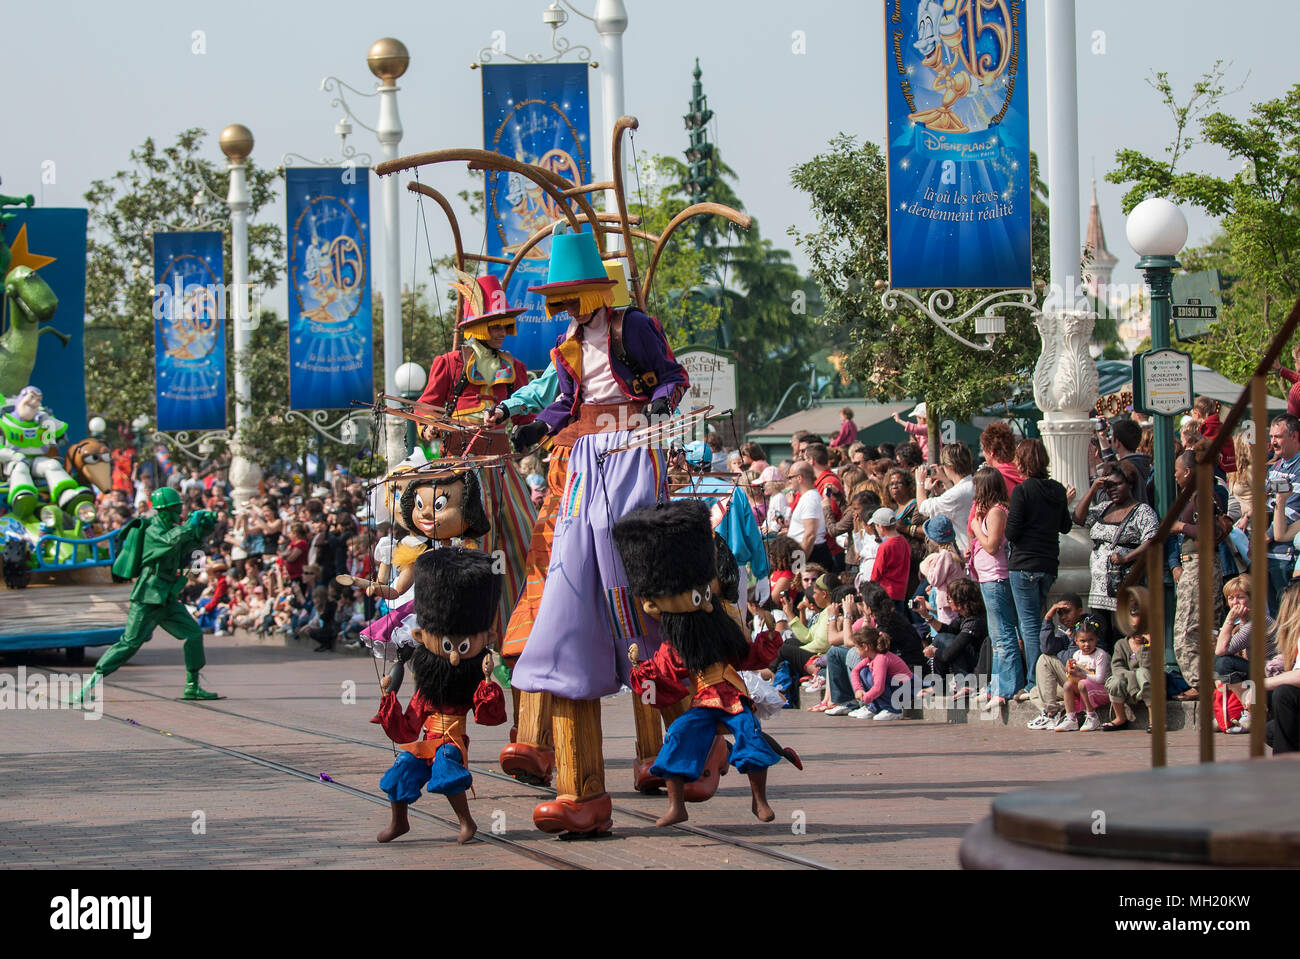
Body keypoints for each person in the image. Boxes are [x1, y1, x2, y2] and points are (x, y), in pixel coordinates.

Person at [507, 228, 688, 836]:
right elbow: (565, 403)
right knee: (569, 591)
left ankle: (688, 745)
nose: (563, 309)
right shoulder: (566, 347)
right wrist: (536, 427)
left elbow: (672, 375)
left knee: (640, 594)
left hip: (636, 451)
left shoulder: (633, 326)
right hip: (585, 459)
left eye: (570, 297)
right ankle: (581, 787)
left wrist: (661, 402)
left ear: (596, 292)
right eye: (558, 300)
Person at [373, 548, 507, 845]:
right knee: (401, 769)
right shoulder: (427, 690)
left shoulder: (470, 682)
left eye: (461, 648)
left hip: (451, 741)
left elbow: (490, 716)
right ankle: (399, 822)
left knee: (447, 767)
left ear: (487, 639)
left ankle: (466, 822)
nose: (455, 659)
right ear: (421, 636)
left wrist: (487, 681)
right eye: (448, 647)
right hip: (427, 739)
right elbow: (408, 727)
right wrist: (388, 700)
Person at [71, 488, 220, 703]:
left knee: (194, 634)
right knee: (129, 644)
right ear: (165, 511)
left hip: (166, 596)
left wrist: (204, 526)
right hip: (148, 595)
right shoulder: (153, 530)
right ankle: (88, 686)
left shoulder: (172, 527)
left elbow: (189, 543)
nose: (179, 513)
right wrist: (190, 525)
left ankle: (192, 686)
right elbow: (170, 541)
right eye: (176, 509)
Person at [1005, 438, 1072, 696]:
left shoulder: (1022, 491)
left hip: (1024, 564)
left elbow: (1011, 532)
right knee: (1040, 622)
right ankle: (1046, 677)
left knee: (1030, 625)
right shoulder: (1056, 489)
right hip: (1048, 563)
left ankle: (1036, 682)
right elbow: (1065, 526)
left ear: (1022, 462)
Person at [1073, 461, 1159, 640]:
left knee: (1121, 635)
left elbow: (1152, 540)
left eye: (1117, 484)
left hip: (1123, 585)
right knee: (1100, 636)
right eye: (1109, 486)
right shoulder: (1104, 508)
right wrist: (1093, 489)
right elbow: (1079, 518)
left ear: (1130, 483)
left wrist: (1127, 557)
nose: (1112, 490)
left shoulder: (1142, 511)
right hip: (1098, 589)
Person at [1169, 449, 1225, 698]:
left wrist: (1181, 526)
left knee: (1186, 631)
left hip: (1199, 565)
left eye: (1178, 471)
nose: (1175, 475)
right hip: (1201, 565)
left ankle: (1201, 683)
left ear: (1188, 472)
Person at [970, 466, 1020, 708]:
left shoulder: (996, 512)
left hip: (997, 578)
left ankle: (1008, 687)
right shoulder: (990, 512)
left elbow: (992, 546)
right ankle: (996, 686)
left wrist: (978, 526)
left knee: (1004, 635)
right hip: (988, 577)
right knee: (997, 636)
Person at [1214, 576, 1272, 729]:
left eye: (1240, 597)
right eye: (1231, 598)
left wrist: (1229, 619)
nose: (1235, 602)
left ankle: (1251, 711)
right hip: (1258, 671)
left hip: (1272, 673)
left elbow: (1220, 650)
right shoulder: (1244, 623)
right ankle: (1234, 709)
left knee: (1223, 663)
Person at [916, 577, 986, 685]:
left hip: (977, 667)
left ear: (960, 602)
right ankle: (939, 685)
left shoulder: (974, 621)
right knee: (942, 637)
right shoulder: (963, 617)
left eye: (950, 599)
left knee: (943, 640)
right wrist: (926, 616)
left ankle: (961, 683)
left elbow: (947, 654)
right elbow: (949, 630)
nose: (948, 602)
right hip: (970, 661)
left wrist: (933, 652)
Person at [1265, 414, 1300, 615]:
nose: (1273, 442)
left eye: (1278, 436)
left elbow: (1292, 510)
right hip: (1268, 555)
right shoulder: (1277, 466)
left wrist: (1265, 536)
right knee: (1274, 617)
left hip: (1287, 555)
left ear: (1294, 436)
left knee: (1289, 616)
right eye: (1271, 436)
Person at [915, 441, 975, 554]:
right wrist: (946, 481)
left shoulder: (957, 493)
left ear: (949, 466)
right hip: (971, 549)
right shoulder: (973, 483)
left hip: (964, 551)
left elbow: (923, 507)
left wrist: (919, 482)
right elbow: (957, 494)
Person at [847, 626, 914, 720]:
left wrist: (867, 697)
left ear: (866, 647)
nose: (856, 651)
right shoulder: (870, 658)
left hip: (907, 689)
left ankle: (893, 710)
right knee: (864, 672)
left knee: (871, 676)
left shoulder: (880, 659)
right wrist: (858, 689)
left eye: (857, 647)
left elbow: (879, 687)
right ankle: (875, 708)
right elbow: (855, 671)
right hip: (897, 688)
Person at [787, 461, 832, 569]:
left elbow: (810, 535)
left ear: (799, 478)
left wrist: (798, 565)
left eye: (790, 477)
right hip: (808, 551)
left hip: (811, 553)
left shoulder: (810, 499)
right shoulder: (808, 497)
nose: (789, 481)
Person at [1104, 631, 1151, 731]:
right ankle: (1120, 718)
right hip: (1128, 686)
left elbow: (1148, 668)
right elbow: (1117, 668)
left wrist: (1147, 647)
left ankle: (1154, 720)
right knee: (1115, 681)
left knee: (1142, 673)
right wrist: (1131, 677)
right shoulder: (1121, 644)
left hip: (1146, 685)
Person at [868, 507, 910, 615]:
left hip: (886, 592)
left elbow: (876, 572)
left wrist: (870, 588)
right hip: (900, 591)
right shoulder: (904, 541)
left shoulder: (885, 547)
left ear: (881, 527)